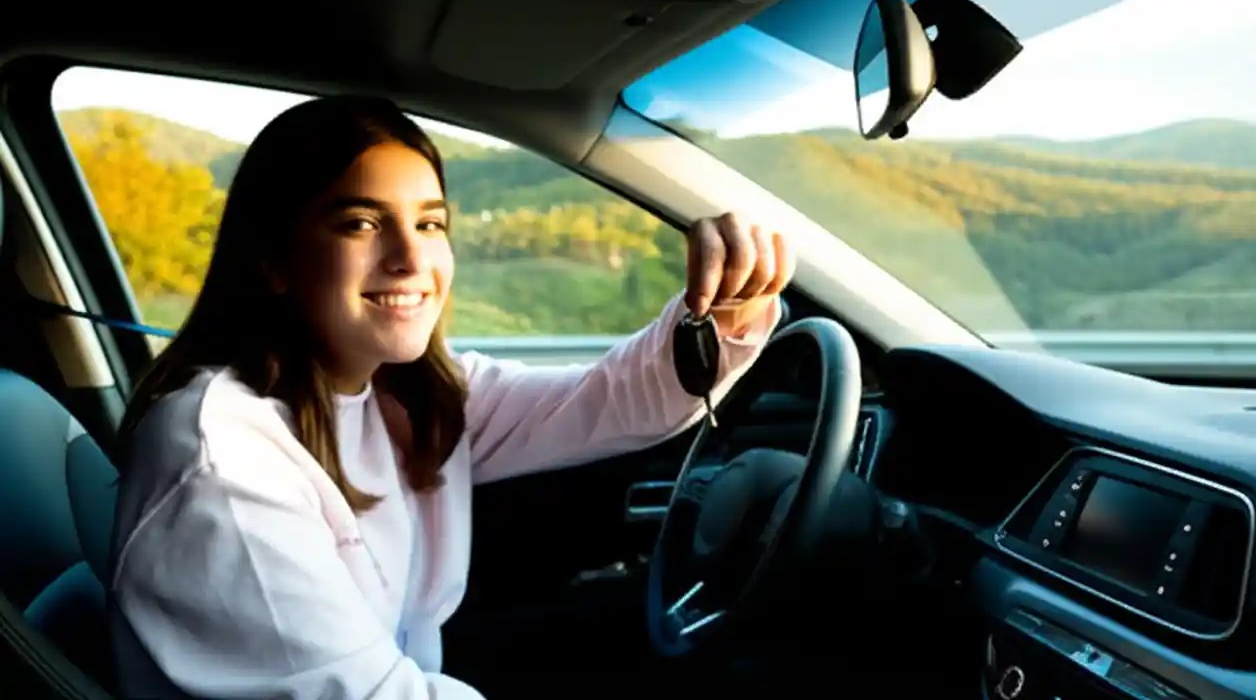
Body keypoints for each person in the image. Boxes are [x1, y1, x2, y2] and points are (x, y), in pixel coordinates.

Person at [107, 95, 792, 699]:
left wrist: (724, 310)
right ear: (272, 259)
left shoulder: (399, 393)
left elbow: (608, 401)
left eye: (430, 223)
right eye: (360, 223)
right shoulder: (223, 460)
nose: (411, 257)